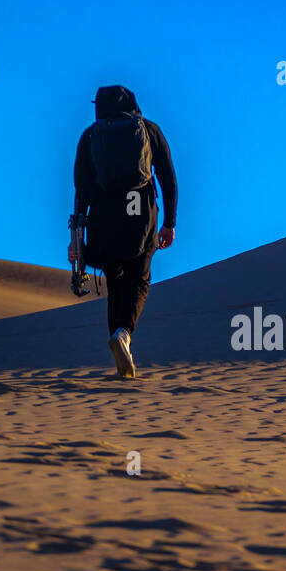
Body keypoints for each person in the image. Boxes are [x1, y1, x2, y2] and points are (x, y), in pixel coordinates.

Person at [70, 85, 177, 378]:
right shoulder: (147, 129)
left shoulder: (91, 136)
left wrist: (77, 237)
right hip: (141, 213)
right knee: (139, 278)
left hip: (104, 217)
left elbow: (81, 188)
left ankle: (119, 340)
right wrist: (170, 223)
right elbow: (167, 176)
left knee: (115, 282)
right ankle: (124, 334)